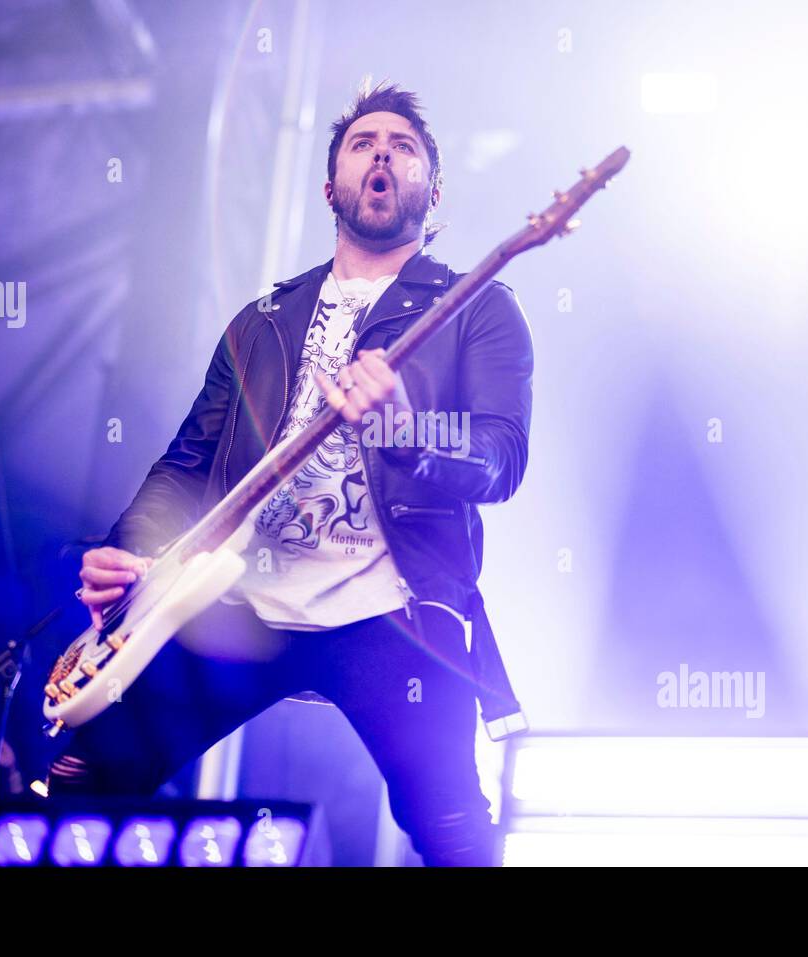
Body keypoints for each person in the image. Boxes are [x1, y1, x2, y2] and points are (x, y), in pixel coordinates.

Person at [48, 82, 533, 867]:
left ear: (434, 190)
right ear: (330, 187)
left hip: (394, 609)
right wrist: (130, 551)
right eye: (363, 143)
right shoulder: (262, 321)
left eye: (404, 147)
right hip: (236, 603)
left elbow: (501, 457)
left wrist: (405, 433)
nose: (382, 154)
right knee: (84, 777)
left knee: (452, 830)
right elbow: (189, 461)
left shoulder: (477, 307)